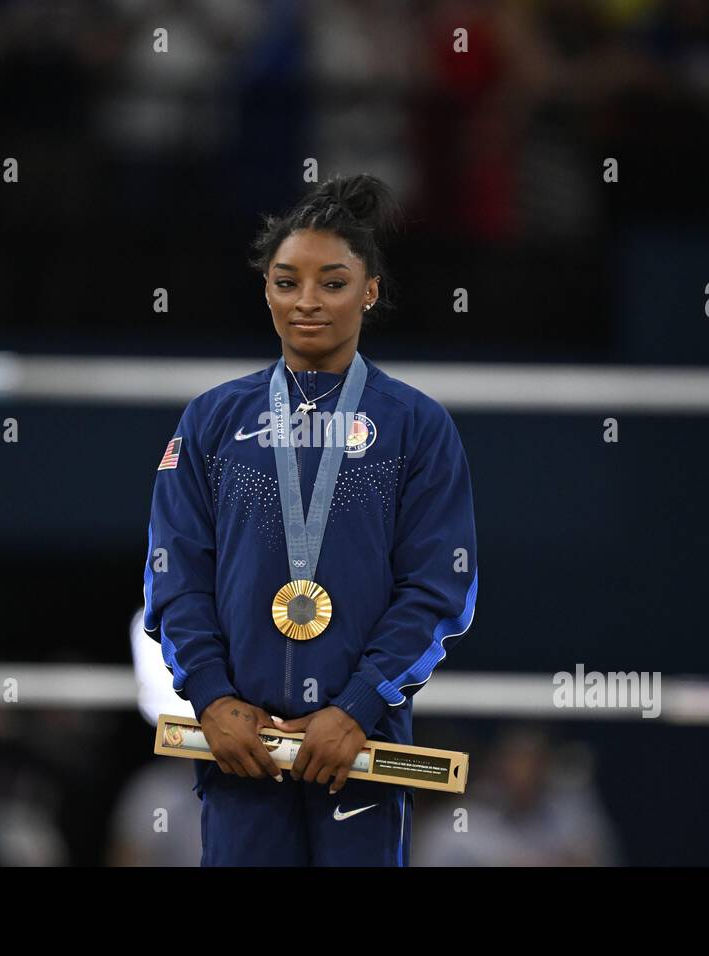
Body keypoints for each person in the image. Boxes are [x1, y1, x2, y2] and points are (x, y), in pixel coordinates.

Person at [142, 173, 478, 866]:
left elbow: (438, 589)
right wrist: (210, 696)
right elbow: (175, 573)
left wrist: (357, 703)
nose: (307, 302)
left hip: (359, 747)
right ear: (266, 287)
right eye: (287, 281)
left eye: (332, 282)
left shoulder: (416, 426)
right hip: (241, 744)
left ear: (370, 290)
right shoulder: (212, 421)